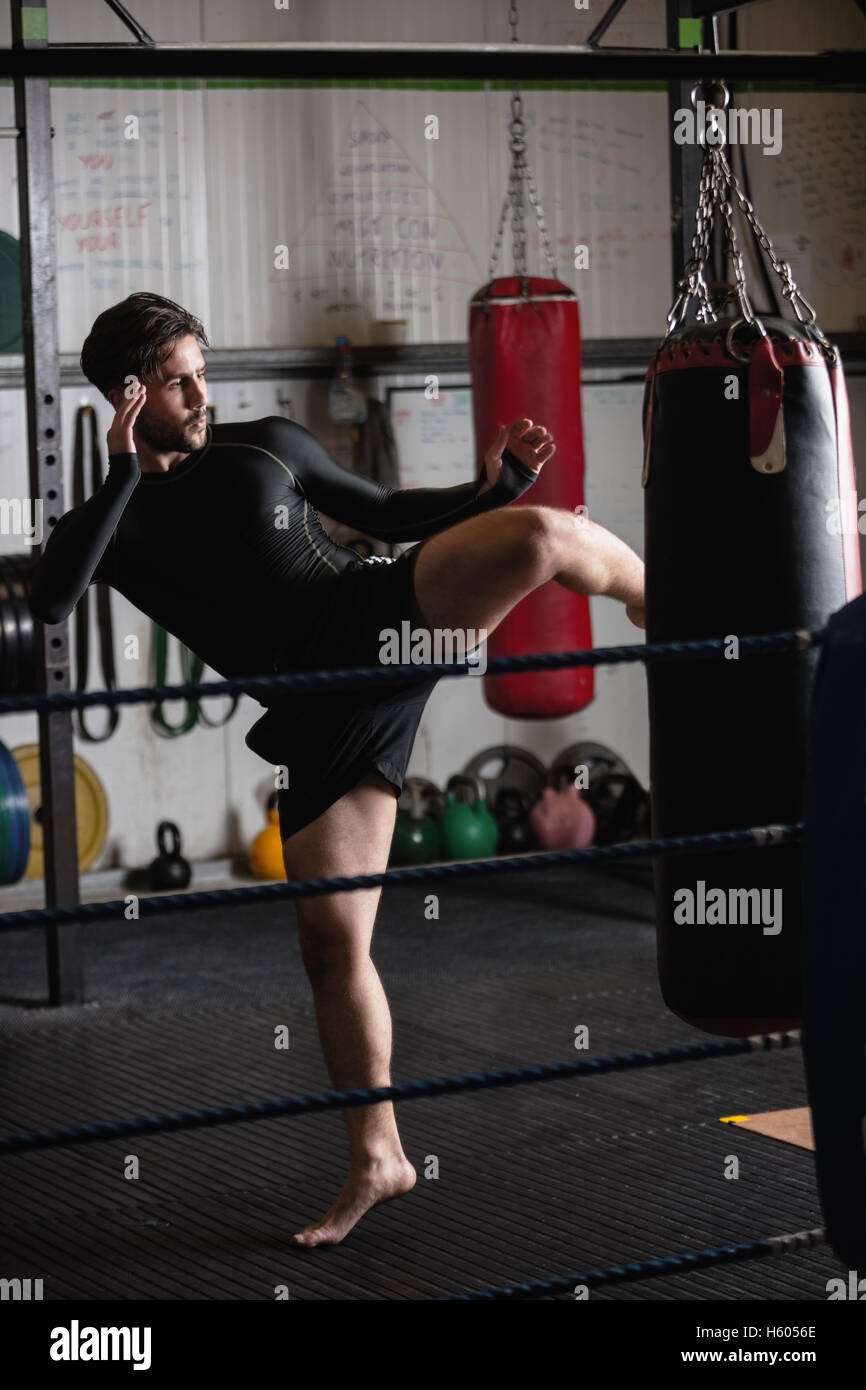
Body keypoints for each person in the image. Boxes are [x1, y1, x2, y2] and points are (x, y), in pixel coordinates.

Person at [30, 291, 645, 1246]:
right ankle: (380, 1155)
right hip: (320, 716)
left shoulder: (264, 444)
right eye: (178, 381)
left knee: (541, 535)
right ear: (127, 394)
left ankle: (663, 604)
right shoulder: (119, 520)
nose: (201, 393)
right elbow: (54, 596)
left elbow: (390, 511)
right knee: (330, 946)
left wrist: (492, 486)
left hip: (376, 625)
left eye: (202, 372)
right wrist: (119, 470)